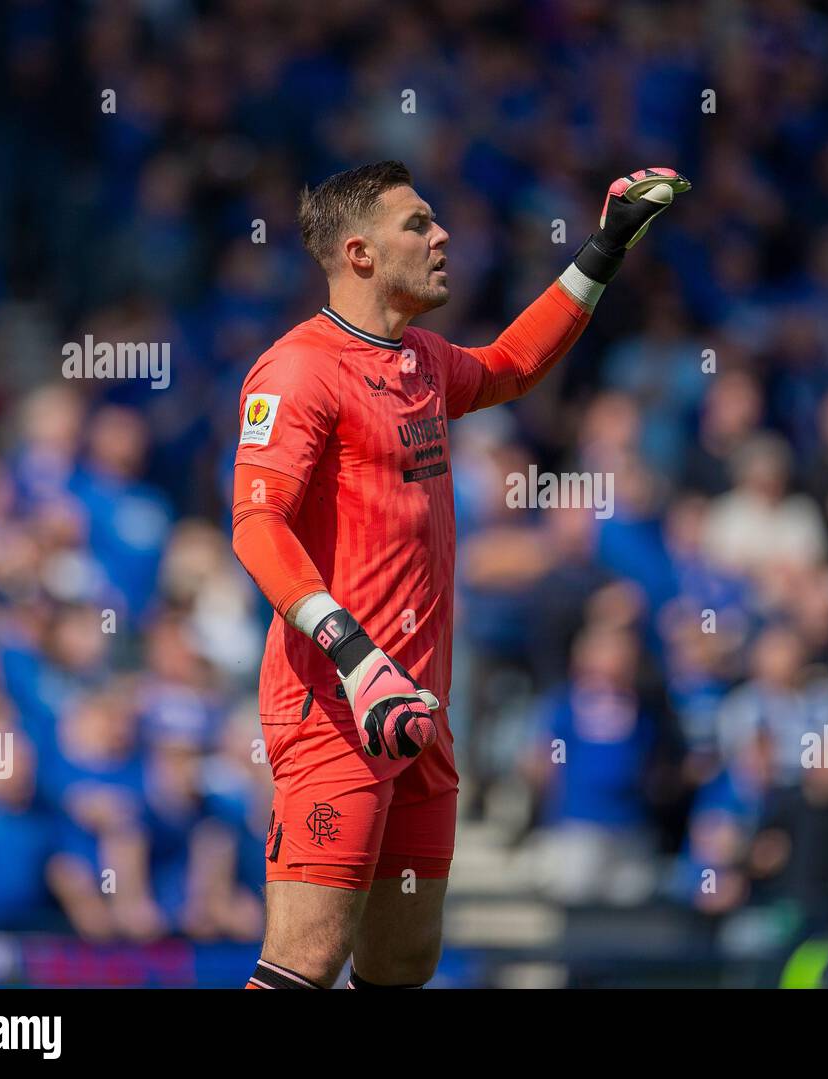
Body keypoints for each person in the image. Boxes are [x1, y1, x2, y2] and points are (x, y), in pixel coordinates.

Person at [231, 161, 689, 989]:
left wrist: (606, 245)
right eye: (419, 224)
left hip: (419, 712)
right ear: (360, 252)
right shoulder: (298, 369)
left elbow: (513, 363)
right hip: (337, 705)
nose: (442, 237)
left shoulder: (424, 362)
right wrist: (355, 655)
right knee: (306, 959)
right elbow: (255, 523)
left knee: (403, 961)